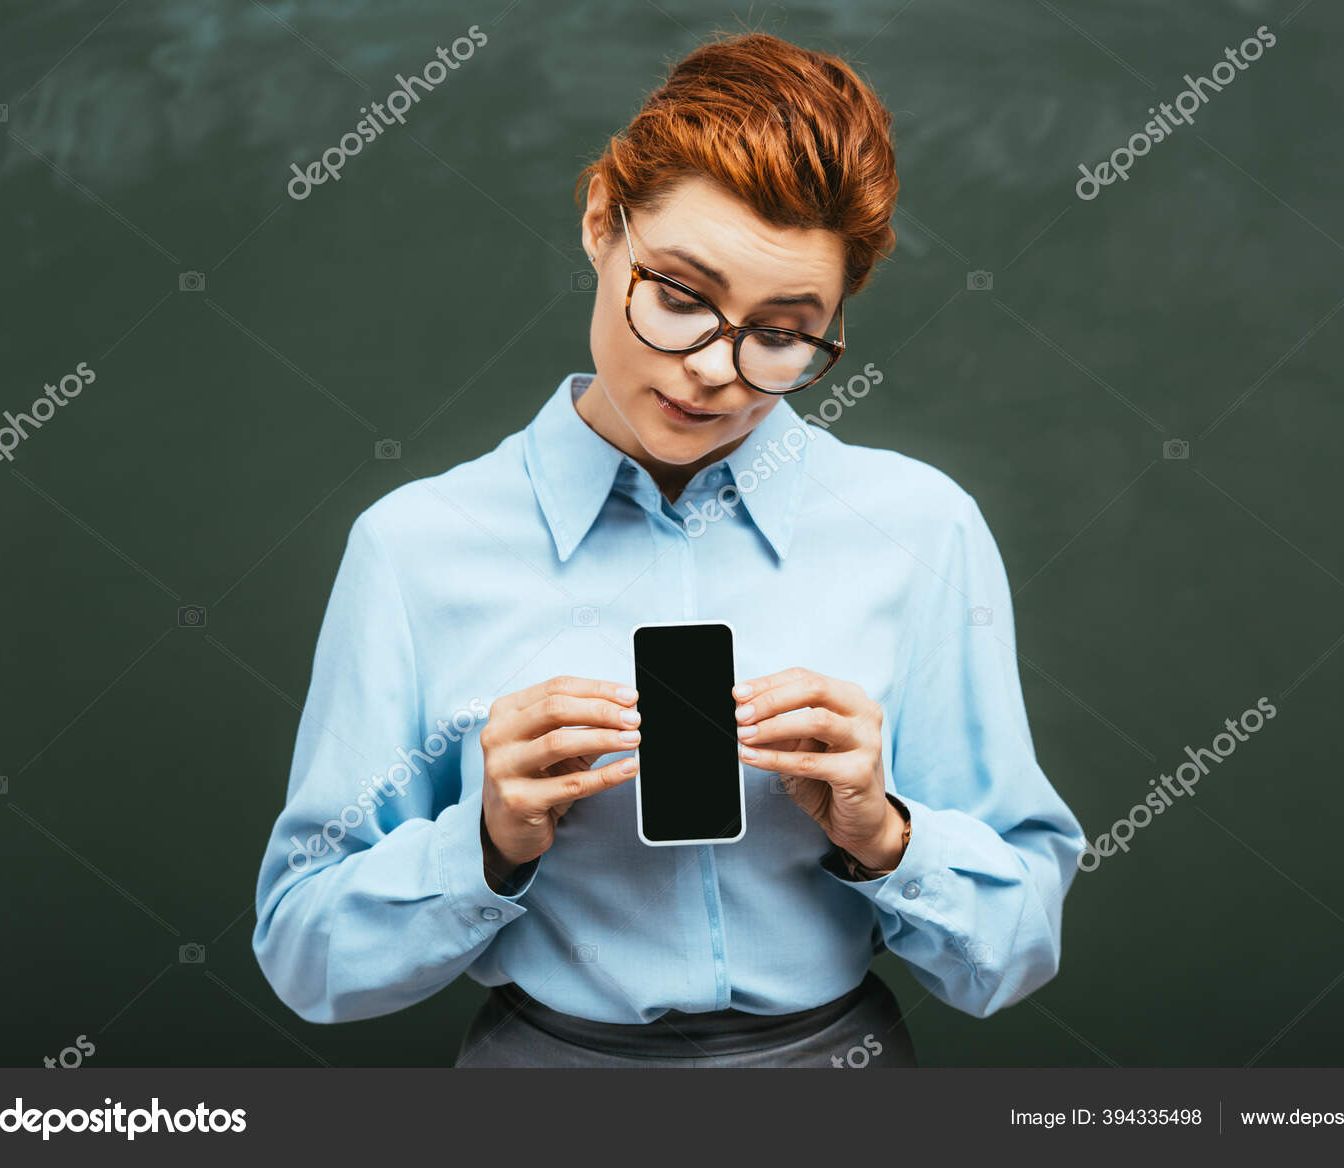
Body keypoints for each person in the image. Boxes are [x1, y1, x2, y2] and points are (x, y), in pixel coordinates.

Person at [251, 29, 1084, 1069]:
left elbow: (1013, 954)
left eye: (780, 334)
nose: (711, 374)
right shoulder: (414, 547)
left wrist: (888, 835)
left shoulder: (922, 526)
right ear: (602, 221)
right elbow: (304, 955)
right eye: (681, 299)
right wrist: (485, 841)